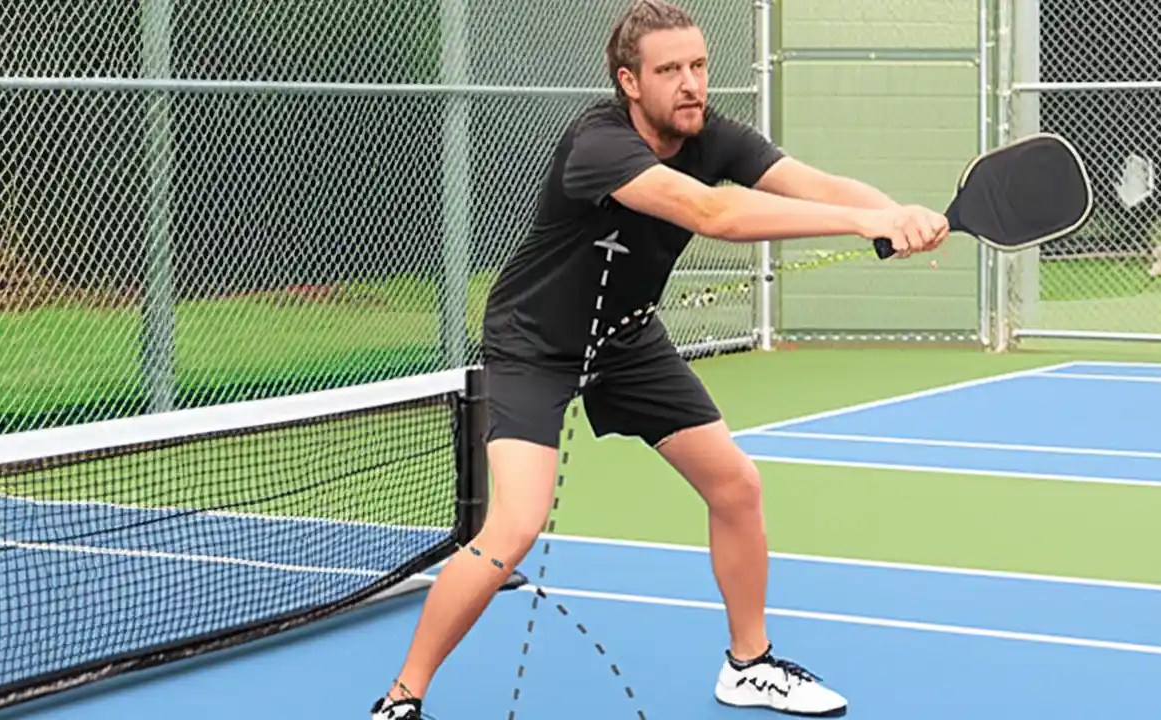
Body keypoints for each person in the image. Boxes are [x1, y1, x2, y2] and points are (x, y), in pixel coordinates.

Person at [371, 1, 947, 717]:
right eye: (669, 70)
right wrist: (869, 222)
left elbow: (818, 185)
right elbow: (717, 216)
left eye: (699, 66)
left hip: (628, 339)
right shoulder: (598, 145)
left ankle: (749, 665)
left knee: (735, 486)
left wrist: (896, 213)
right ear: (629, 81)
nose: (690, 84)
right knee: (515, 526)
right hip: (535, 344)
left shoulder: (713, 136)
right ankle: (401, 698)